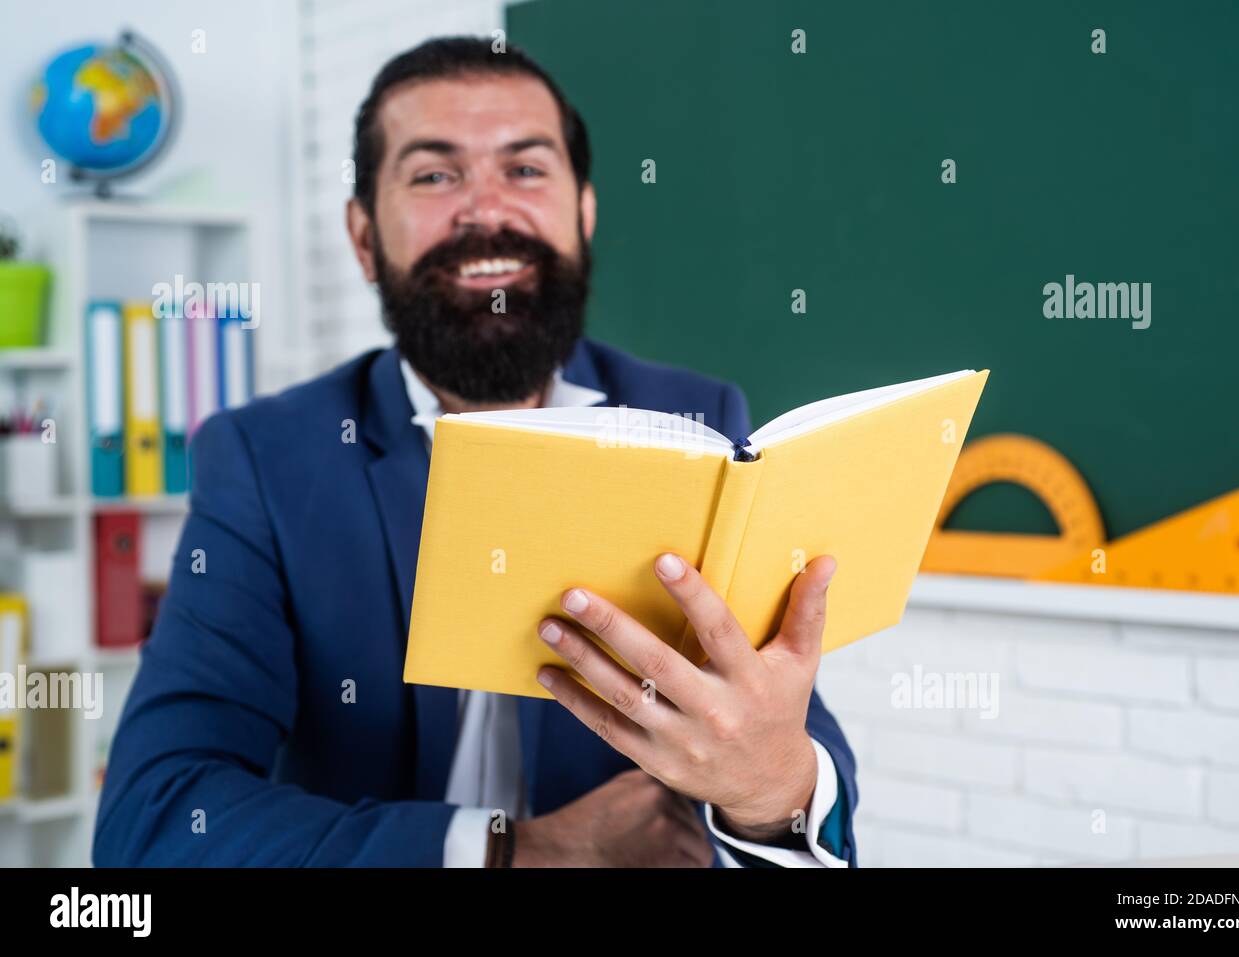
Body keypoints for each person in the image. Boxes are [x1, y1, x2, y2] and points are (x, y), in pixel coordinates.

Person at [93, 36, 858, 867]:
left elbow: (780, 732)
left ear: (585, 213)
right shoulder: (266, 460)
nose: (486, 210)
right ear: (362, 236)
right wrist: (518, 851)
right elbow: (157, 816)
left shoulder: (696, 420)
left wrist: (772, 790)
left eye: (525, 169)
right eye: (434, 174)